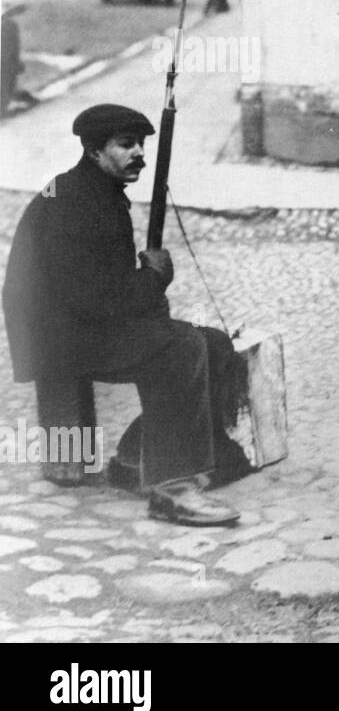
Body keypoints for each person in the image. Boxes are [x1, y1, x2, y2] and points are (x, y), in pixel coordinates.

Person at [2, 104, 246, 526]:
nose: (140, 154)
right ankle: (173, 488)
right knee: (181, 347)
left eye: (142, 144)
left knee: (213, 343)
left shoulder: (97, 192)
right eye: (126, 144)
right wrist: (152, 278)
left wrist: (147, 289)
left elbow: (104, 289)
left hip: (81, 323)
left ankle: (134, 459)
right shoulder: (69, 202)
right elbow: (94, 299)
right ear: (95, 151)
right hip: (59, 336)